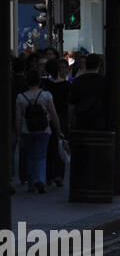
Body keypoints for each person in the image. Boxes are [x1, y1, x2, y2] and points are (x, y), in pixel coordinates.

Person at [16, 69, 62, 193]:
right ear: (39, 80)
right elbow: (53, 114)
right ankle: (40, 180)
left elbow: (18, 117)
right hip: (44, 128)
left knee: (30, 156)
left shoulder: (21, 97)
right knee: (41, 155)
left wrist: (19, 133)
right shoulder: (46, 95)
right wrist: (59, 129)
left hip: (27, 129)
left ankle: (31, 183)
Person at [40, 58, 71, 187]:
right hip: (62, 117)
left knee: (48, 147)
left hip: (47, 118)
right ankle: (59, 175)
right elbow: (69, 105)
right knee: (60, 145)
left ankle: (48, 176)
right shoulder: (66, 85)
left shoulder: (45, 85)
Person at [68, 53, 108, 131]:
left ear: (86, 64)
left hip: (82, 118)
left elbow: (71, 103)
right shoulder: (104, 81)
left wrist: (70, 121)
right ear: (99, 65)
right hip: (99, 119)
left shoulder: (78, 81)